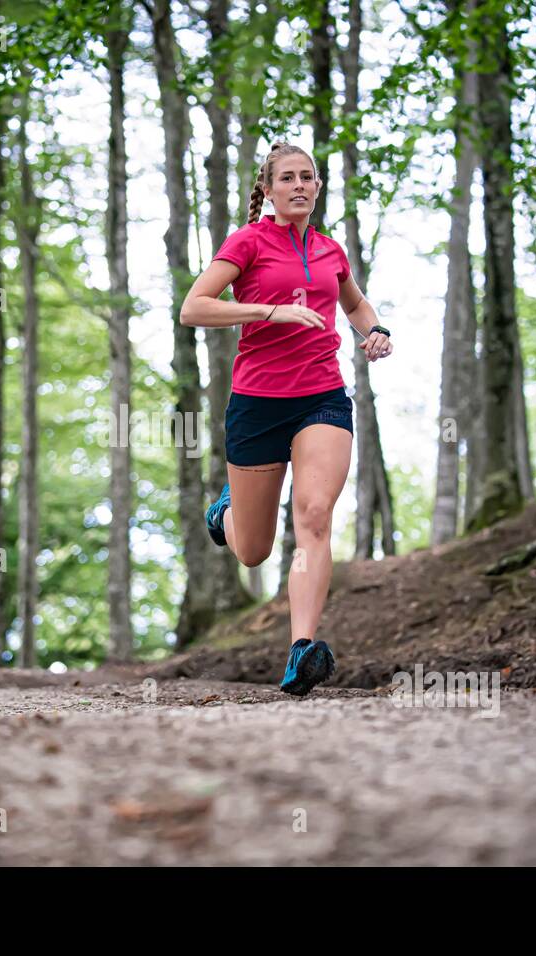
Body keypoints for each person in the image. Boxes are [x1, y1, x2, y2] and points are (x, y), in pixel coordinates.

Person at [179, 141, 394, 695]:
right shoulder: (247, 242)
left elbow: (355, 305)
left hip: (321, 396)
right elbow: (194, 307)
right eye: (288, 178)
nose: (300, 185)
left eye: (309, 177)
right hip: (257, 402)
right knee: (253, 550)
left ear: (317, 188)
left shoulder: (330, 251)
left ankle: (302, 649)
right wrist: (269, 310)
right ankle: (224, 514)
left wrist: (375, 331)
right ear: (269, 190)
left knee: (315, 514)